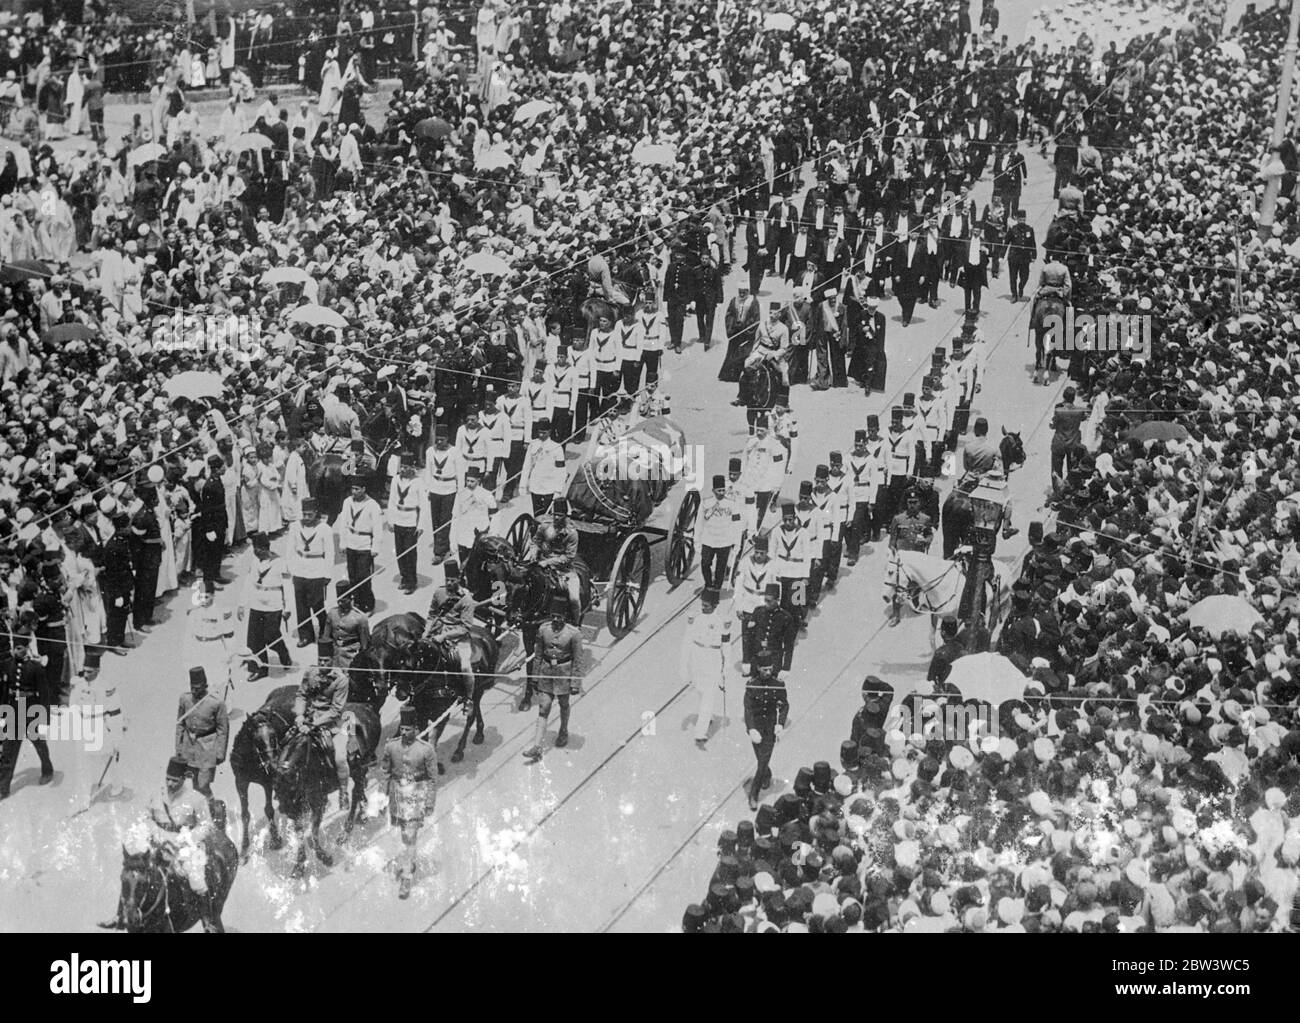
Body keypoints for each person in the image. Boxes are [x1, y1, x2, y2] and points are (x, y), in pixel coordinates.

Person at [98, 757, 214, 929]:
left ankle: (208, 921)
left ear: (183, 779)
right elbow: (146, 816)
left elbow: (206, 825)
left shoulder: (196, 798)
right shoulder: (157, 794)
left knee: (197, 881)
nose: (170, 783)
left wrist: (186, 839)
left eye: (175, 780)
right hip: (159, 842)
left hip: (185, 846)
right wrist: (157, 832)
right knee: (133, 871)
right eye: (168, 778)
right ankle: (121, 915)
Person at [381, 705, 438, 899]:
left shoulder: (426, 750)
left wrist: (430, 802)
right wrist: (383, 796)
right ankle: (409, 861)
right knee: (404, 835)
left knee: (409, 835)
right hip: (397, 795)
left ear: (416, 728)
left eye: (408, 729)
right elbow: (386, 773)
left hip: (416, 795)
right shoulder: (391, 746)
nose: (404, 733)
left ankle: (407, 877)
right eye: (402, 729)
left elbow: (432, 778)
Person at [524, 595, 584, 761]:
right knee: (544, 707)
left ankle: (563, 730)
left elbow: (578, 660)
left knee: (564, 704)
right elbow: (537, 655)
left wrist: (575, 683)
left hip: (564, 674)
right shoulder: (543, 629)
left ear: (565, 617)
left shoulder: (574, 634)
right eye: (553, 616)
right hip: (546, 672)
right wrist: (535, 678)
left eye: (559, 617)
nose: (556, 620)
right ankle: (537, 746)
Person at [293, 657, 351, 813]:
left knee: (340, 757)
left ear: (333, 661)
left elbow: (336, 710)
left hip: (331, 723)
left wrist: (312, 725)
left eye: (327, 661)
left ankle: (344, 791)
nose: (323, 664)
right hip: (308, 718)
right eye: (321, 660)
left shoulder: (341, 680)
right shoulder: (311, 672)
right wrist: (299, 715)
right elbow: (301, 695)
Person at [0, 643, 54, 799]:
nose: (16, 651)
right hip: (13, 711)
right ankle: (3, 788)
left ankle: (47, 769)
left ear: (26, 648)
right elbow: (4, 689)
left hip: (31, 710)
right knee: (9, 749)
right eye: (14, 648)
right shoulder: (7, 665)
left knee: (39, 744)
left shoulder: (35, 668)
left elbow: (44, 693)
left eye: (19, 648)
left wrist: (45, 717)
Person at [680, 587, 732, 748]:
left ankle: (700, 732)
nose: (704, 608)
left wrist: (726, 667)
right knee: (701, 691)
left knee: (708, 694)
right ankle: (707, 716)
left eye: (707, 605)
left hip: (713, 658)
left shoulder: (722, 622)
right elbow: (687, 640)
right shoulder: (695, 619)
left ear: (715, 605)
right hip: (697, 657)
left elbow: (726, 646)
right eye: (703, 604)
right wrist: (684, 664)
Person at [238, 532, 293, 681]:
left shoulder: (281, 563)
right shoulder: (255, 562)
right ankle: (259, 668)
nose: (255, 552)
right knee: (254, 638)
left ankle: (283, 652)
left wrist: (288, 608)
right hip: (256, 603)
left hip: (273, 604)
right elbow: (248, 582)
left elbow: (287, 587)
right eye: (254, 549)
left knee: (271, 635)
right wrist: (242, 604)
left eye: (258, 549)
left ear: (265, 548)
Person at [425, 561, 478, 703]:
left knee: (465, 667)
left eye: (452, 580)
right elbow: (431, 615)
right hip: (437, 631)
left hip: (458, 637)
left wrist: (444, 636)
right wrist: (426, 632)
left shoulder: (466, 599)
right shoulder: (439, 592)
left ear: (459, 580)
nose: (449, 583)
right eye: (447, 580)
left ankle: (469, 698)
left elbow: (465, 627)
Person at [523, 497, 583, 623]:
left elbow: (569, 557)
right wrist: (533, 552)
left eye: (560, 515)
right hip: (540, 563)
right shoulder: (545, 527)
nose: (556, 518)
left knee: (574, 599)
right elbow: (535, 542)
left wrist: (547, 562)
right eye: (555, 515)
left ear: (566, 516)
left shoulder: (572, 533)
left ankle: (576, 624)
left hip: (563, 570)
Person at [174, 667, 229, 797]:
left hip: (207, 750)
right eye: (192, 687)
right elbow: (180, 724)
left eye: (197, 688)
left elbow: (223, 729)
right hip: (188, 749)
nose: (194, 691)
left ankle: (211, 810)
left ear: (205, 686)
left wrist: (220, 753)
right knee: (187, 785)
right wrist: (178, 748)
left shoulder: (217, 703)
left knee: (202, 786)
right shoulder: (185, 699)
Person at [743, 650, 788, 811]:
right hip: (756, 727)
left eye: (770, 669)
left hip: (769, 728)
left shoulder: (778, 684)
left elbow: (784, 705)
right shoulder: (751, 684)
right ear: (758, 668)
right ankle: (767, 775)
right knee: (760, 757)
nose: (768, 672)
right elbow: (747, 709)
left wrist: (780, 724)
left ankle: (753, 795)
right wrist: (751, 729)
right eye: (764, 669)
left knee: (762, 761)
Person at [287, 498, 334, 647]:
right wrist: (291, 568)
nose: (306, 518)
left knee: (317, 604)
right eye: (304, 514)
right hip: (300, 569)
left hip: (317, 569)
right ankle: (306, 635)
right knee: (301, 605)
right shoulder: (295, 527)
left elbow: (330, 552)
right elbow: (290, 549)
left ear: (316, 513)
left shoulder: (325, 529)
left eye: (310, 515)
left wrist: (327, 574)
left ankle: (324, 631)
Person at [337, 475, 381, 614]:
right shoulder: (347, 502)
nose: (354, 492)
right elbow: (343, 523)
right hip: (351, 543)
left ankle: (368, 604)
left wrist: (375, 547)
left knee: (363, 576)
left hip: (364, 544)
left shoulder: (373, 505)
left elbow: (378, 528)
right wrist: (343, 543)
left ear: (364, 489)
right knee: (353, 576)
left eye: (357, 489)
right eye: (352, 489)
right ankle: (356, 601)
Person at [387, 452, 430, 594]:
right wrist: (390, 520)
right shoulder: (395, 480)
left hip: (411, 520)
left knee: (410, 552)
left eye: (407, 467)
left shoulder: (418, 482)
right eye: (402, 466)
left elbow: (423, 505)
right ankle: (404, 577)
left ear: (413, 467)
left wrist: (421, 525)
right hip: (398, 519)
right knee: (400, 552)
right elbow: (392, 501)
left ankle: (412, 581)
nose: (404, 470)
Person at [695, 474, 742, 591]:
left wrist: (737, 543)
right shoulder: (706, 503)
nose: (721, 493)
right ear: (713, 490)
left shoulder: (732, 504)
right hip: (708, 540)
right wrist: (697, 541)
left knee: (721, 568)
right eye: (718, 490)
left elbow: (737, 525)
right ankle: (708, 584)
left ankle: (716, 588)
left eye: (723, 490)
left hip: (724, 541)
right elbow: (699, 523)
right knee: (705, 564)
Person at [424, 425, 462, 564]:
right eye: (437, 439)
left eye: (442, 439)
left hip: (449, 488)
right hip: (435, 487)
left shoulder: (455, 452)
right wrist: (428, 489)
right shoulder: (430, 451)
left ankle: (440, 551)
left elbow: (460, 473)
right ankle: (440, 546)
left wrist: (460, 491)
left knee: (445, 520)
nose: (439, 442)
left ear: (447, 439)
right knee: (435, 520)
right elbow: (428, 471)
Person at [449, 465, 498, 567]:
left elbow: (495, 516)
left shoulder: (486, 495)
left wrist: (494, 534)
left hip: (479, 536)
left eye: (472, 481)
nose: (469, 484)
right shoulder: (460, 495)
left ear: (478, 481)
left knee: (478, 566)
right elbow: (455, 518)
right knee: (463, 565)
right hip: (463, 535)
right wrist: (452, 539)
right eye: (468, 481)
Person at [520, 417, 567, 516]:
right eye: (539, 432)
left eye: (544, 433)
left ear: (549, 432)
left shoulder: (557, 447)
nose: (541, 435)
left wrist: (558, 490)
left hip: (549, 487)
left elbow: (561, 471)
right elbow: (526, 466)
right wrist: (522, 485)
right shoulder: (533, 444)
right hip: (535, 485)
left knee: (548, 516)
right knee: (537, 515)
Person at [322, 584, 370, 670]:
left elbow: (365, 644)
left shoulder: (360, 617)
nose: (340, 603)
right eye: (339, 600)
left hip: (351, 653)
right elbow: (326, 637)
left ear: (351, 599)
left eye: (344, 601)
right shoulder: (332, 613)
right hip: (335, 652)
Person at [1049, 386, 1087, 488]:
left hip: (1059, 443)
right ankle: (1070, 490)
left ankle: (1058, 491)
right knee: (1072, 469)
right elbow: (1083, 418)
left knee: (1056, 470)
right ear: (1073, 398)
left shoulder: (1059, 410)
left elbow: (1052, 425)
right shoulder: (1079, 411)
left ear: (1064, 397)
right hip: (1073, 443)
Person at [1005, 209, 1037, 301]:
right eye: (1020, 220)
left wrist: (1034, 256)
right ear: (1017, 220)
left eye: (1023, 220)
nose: (1022, 222)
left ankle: (1021, 286)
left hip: (1025, 257)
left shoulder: (1029, 229)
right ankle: (1014, 295)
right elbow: (1006, 243)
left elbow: (1032, 243)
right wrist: (1001, 256)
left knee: (1025, 276)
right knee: (1013, 277)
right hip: (1014, 257)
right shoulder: (1013, 230)